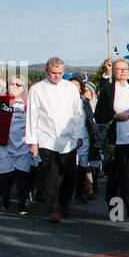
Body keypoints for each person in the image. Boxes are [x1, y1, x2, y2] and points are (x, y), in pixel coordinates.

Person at [24, 58, 85, 223]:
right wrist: (32, 141)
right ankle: (54, 208)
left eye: (59, 73)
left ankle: (64, 201)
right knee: (50, 174)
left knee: (71, 174)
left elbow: (78, 113)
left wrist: (80, 135)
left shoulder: (71, 88)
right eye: (53, 73)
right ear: (46, 71)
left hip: (68, 138)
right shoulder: (37, 89)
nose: (56, 76)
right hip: (46, 137)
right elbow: (32, 115)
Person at [95, 59, 129, 218]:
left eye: (125, 69)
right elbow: (99, 115)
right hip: (115, 138)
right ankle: (115, 211)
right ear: (114, 72)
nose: (123, 72)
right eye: (119, 69)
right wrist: (115, 115)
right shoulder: (108, 91)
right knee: (116, 174)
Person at [0, 76, 36, 214]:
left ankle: (21, 205)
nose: (15, 87)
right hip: (4, 145)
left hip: (22, 145)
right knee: (6, 177)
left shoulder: (29, 103)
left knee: (22, 176)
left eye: (19, 85)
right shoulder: (1, 101)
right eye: (12, 84)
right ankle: (5, 199)